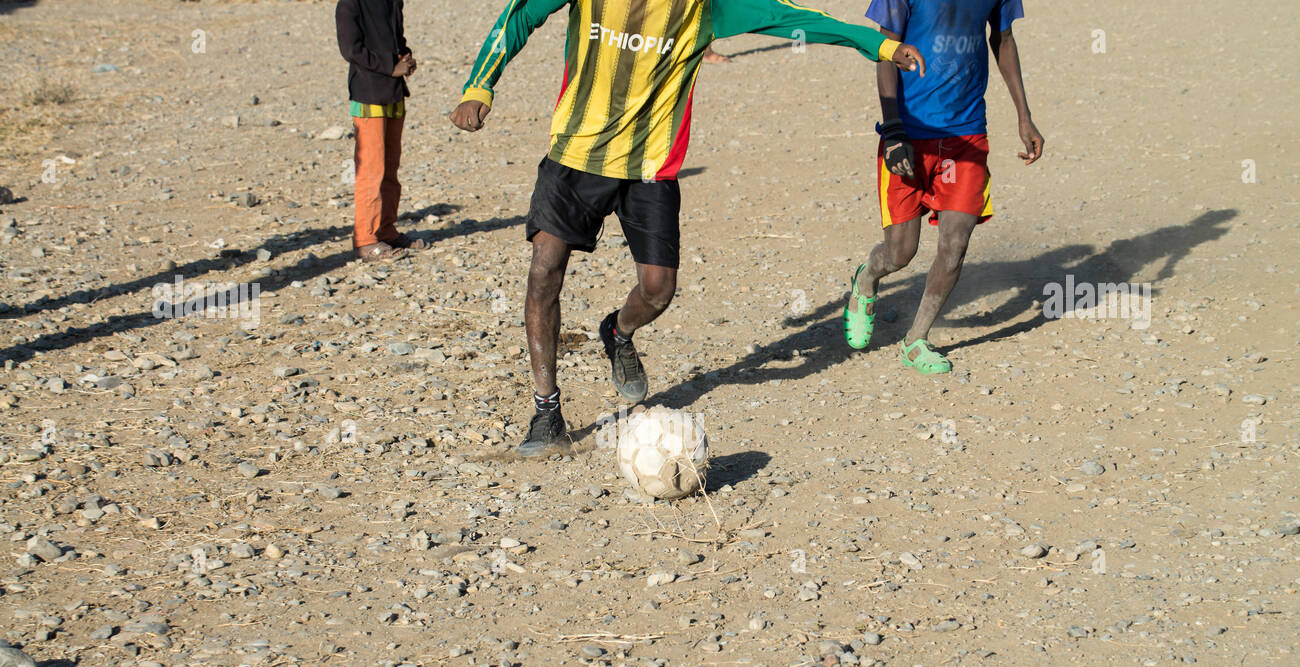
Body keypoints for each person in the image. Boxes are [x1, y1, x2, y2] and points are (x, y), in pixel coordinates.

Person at [450, 0, 925, 457]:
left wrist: (879, 46)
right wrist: (479, 86)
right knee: (544, 271)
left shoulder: (704, 6)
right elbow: (519, 15)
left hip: (651, 166)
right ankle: (546, 412)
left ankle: (617, 332)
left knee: (657, 291)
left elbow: (788, 17)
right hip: (576, 155)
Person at [844, 0, 1043, 374]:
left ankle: (916, 340)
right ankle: (867, 279)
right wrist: (893, 130)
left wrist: (1024, 116)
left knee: (955, 246)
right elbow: (884, 50)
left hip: (966, 134)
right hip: (909, 131)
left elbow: (1002, 39)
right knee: (900, 253)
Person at [335, 0, 428, 261]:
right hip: (368, 94)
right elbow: (351, 50)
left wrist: (404, 57)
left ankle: (386, 230)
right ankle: (365, 239)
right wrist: (390, 66)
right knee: (371, 170)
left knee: (390, 168)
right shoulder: (350, 4)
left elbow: (395, 37)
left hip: (394, 93)